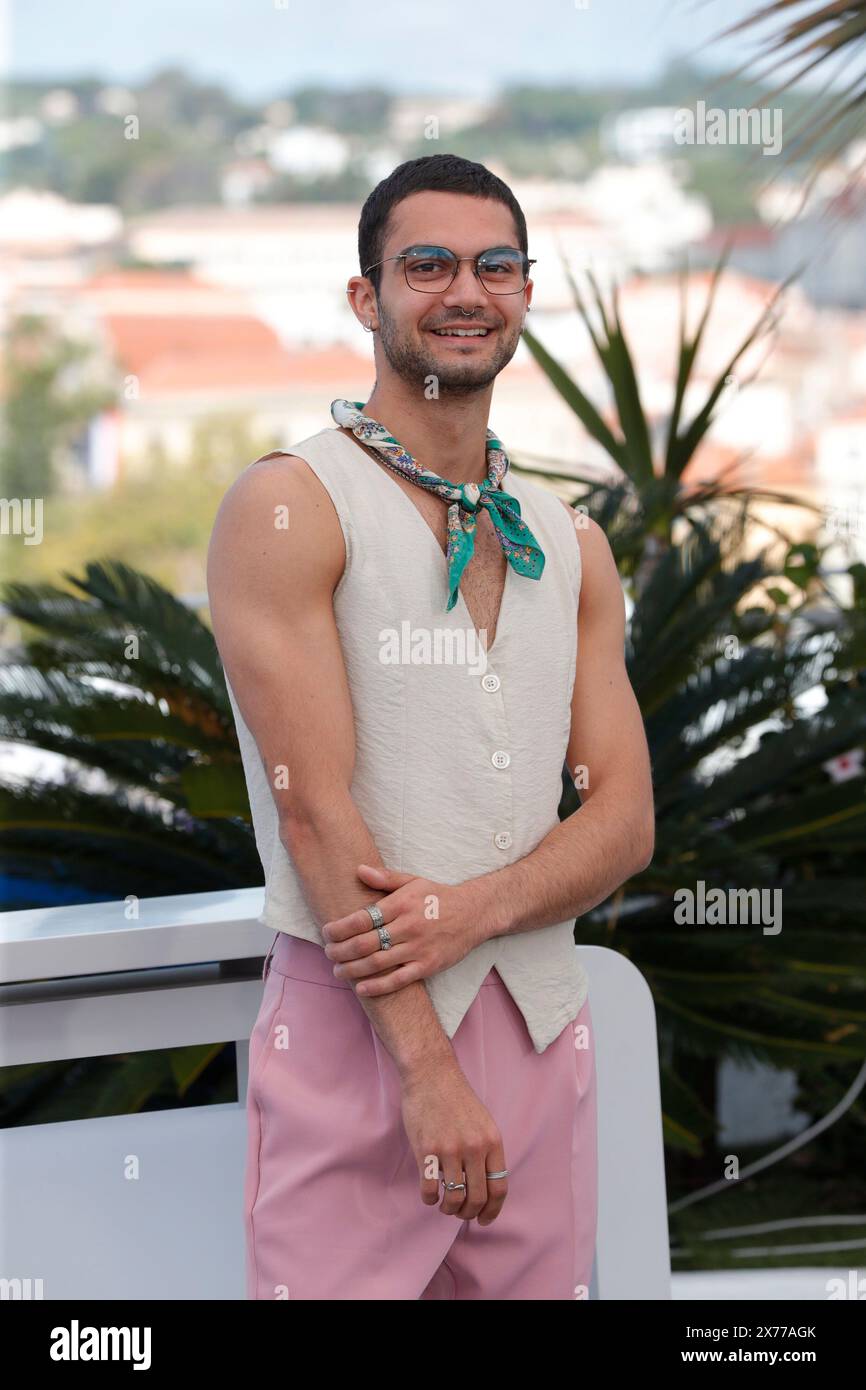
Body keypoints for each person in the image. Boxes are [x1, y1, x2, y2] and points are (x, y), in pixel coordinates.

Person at [207, 153, 654, 1301]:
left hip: (544, 1031)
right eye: (428, 265)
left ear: (524, 290)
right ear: (367, 298)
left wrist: (470, 910)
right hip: (363, 1043)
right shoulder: (290, 505)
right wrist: (426, 1071)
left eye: (495, 265)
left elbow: (623, 821)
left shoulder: (572, 541)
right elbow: (316, 806)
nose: (466, 291)